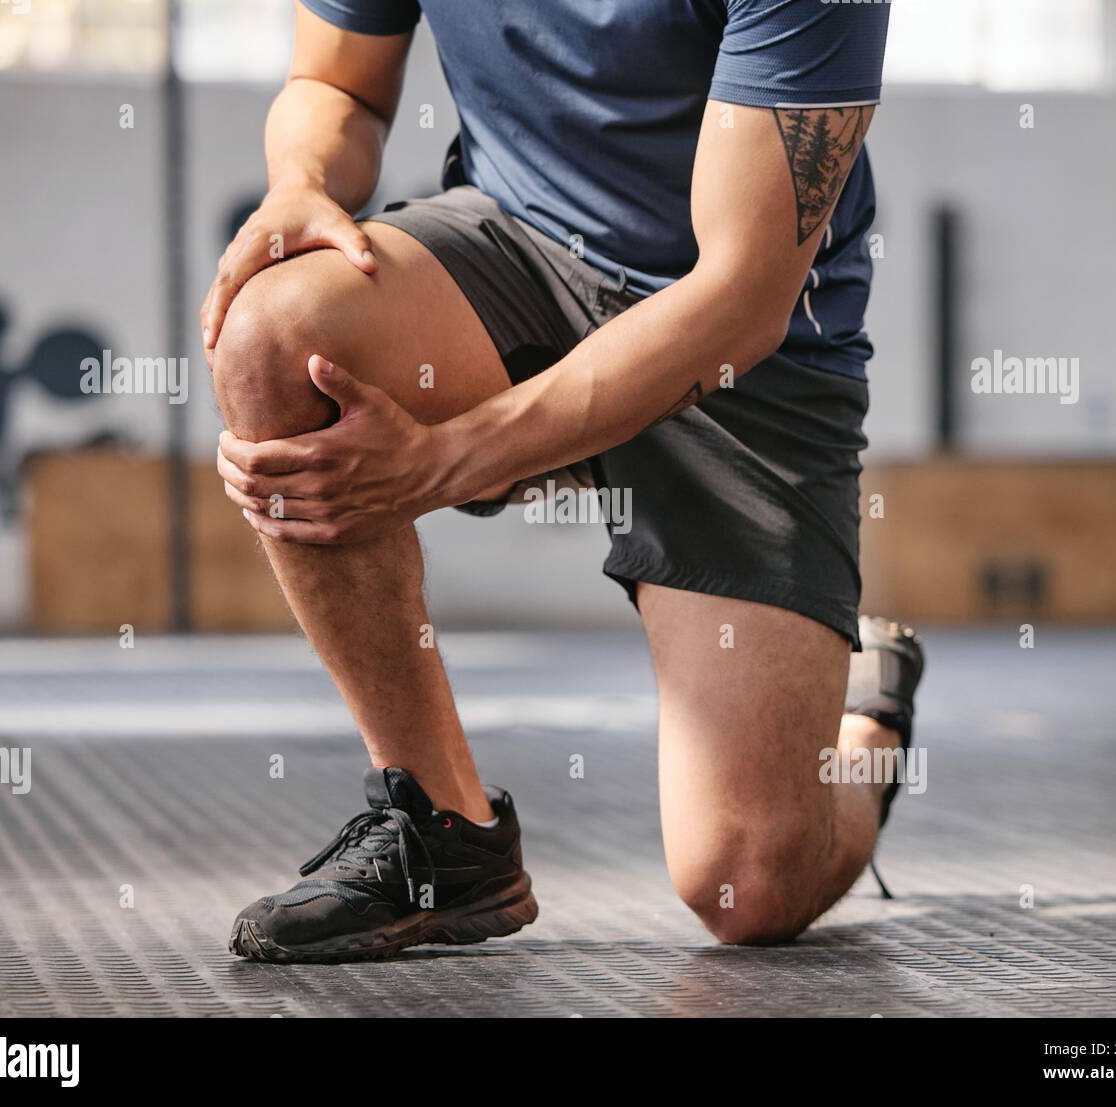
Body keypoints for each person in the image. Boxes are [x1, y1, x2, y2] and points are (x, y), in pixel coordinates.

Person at [203, 0, 923, 962]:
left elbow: (741, 299)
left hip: (749, 351)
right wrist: (299, 181)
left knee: (744, 883)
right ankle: (443, 831)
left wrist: (440, 460)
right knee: (271, 337)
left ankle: (870, 709)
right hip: (522, 252)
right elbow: (335, 83)